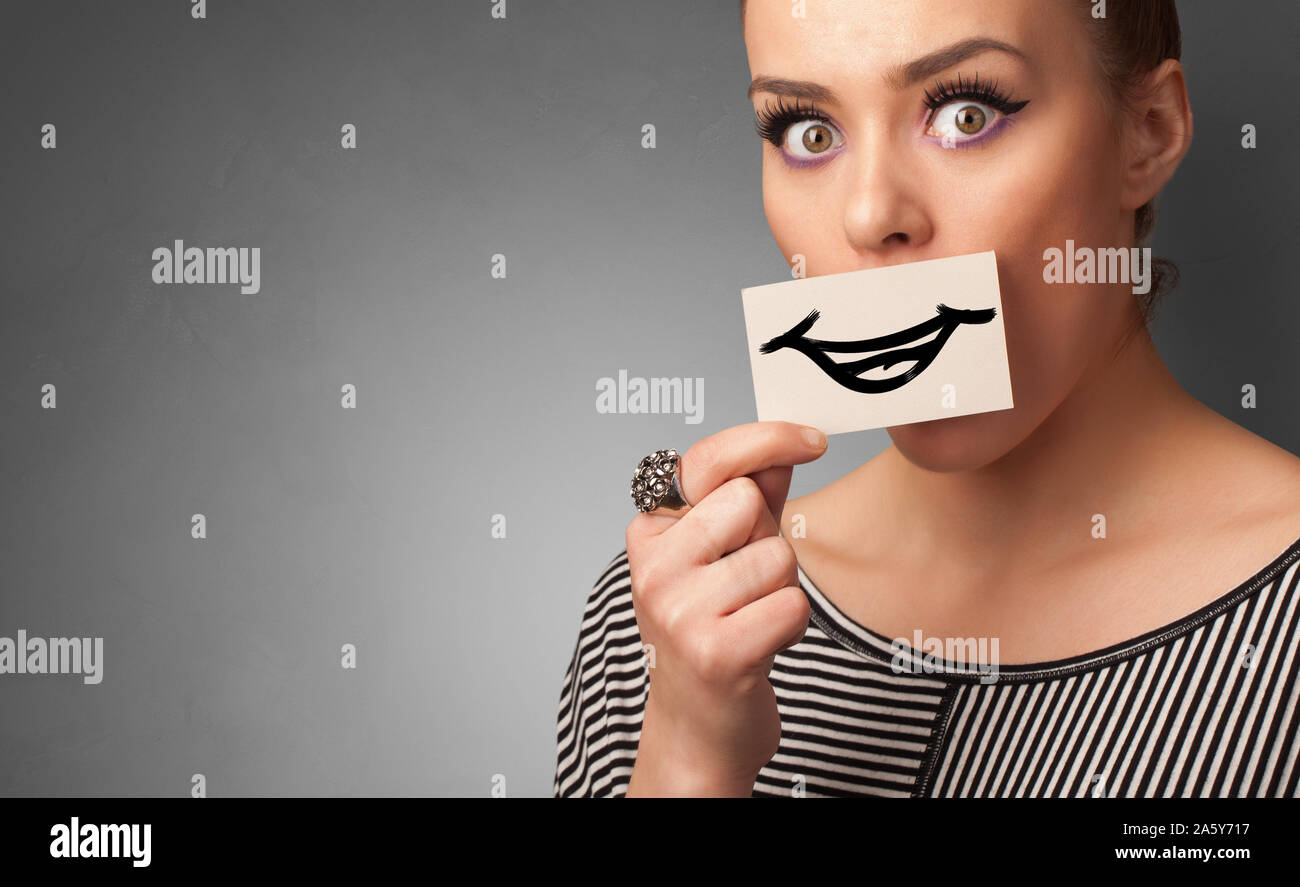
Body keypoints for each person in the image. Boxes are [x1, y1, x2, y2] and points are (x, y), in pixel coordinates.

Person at [555, 0, 1300, 797]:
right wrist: (688, 759)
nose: (870, 214)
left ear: (1147, 131)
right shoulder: (670, 623)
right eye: (808, 131)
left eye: (967, 112)